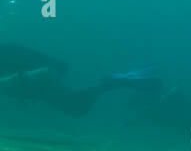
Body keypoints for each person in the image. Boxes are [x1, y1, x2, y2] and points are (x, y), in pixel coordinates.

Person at [0, 44, 160, 116]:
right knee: (75, 106)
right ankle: (117, 81)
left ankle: (116, 82)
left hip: (37, 77)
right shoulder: (8, 49)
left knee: (75, 107)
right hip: (40, 75)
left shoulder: (6, 53)